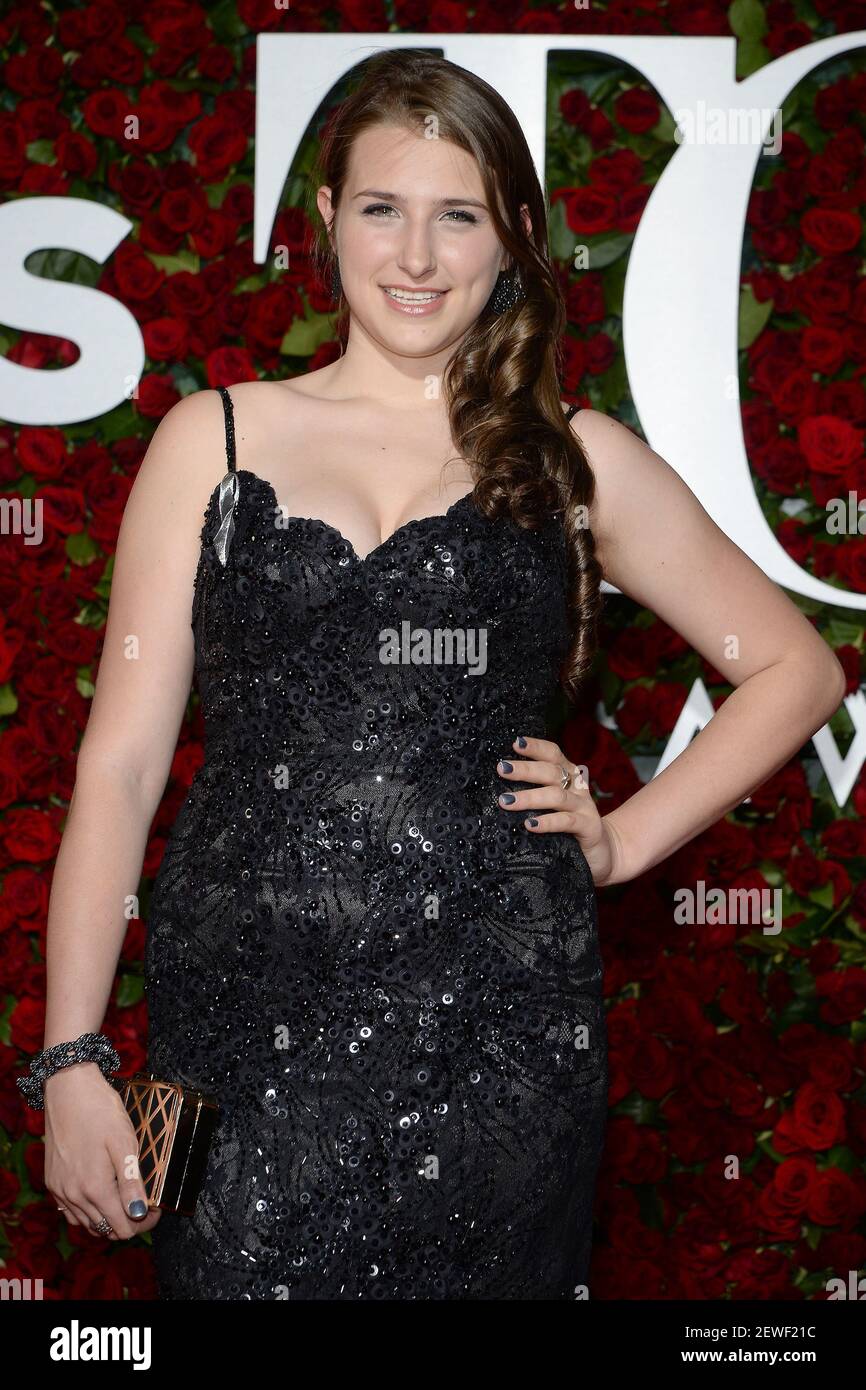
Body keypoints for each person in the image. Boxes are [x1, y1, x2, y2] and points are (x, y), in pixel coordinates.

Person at [21, 50, 844, 1300]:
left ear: (512, 236)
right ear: (326, 223)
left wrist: (618, 842)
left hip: (500, 1046)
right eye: (381, 209)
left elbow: (792, 667)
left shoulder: (576, 460)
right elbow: (121, 768)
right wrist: (71, 1056)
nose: (414, 255)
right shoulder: (213, 439)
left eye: (455, 214)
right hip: (239, 1045)